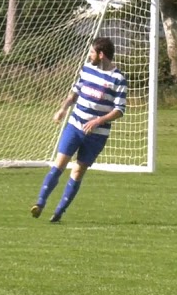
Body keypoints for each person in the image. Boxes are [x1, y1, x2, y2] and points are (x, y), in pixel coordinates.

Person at [30, 37, 126, 223]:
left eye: (91, 52)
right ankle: (40, 203)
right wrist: (63, 108)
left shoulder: (118, 79)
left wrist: (99, 121)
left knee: (78, 171)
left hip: (97, 135)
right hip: (74, 126)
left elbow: (119, 110)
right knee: (59, 164)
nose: (89, 55)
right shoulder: (87, 69)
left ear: (101, 54)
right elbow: (75, 91)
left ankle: (58, 212)